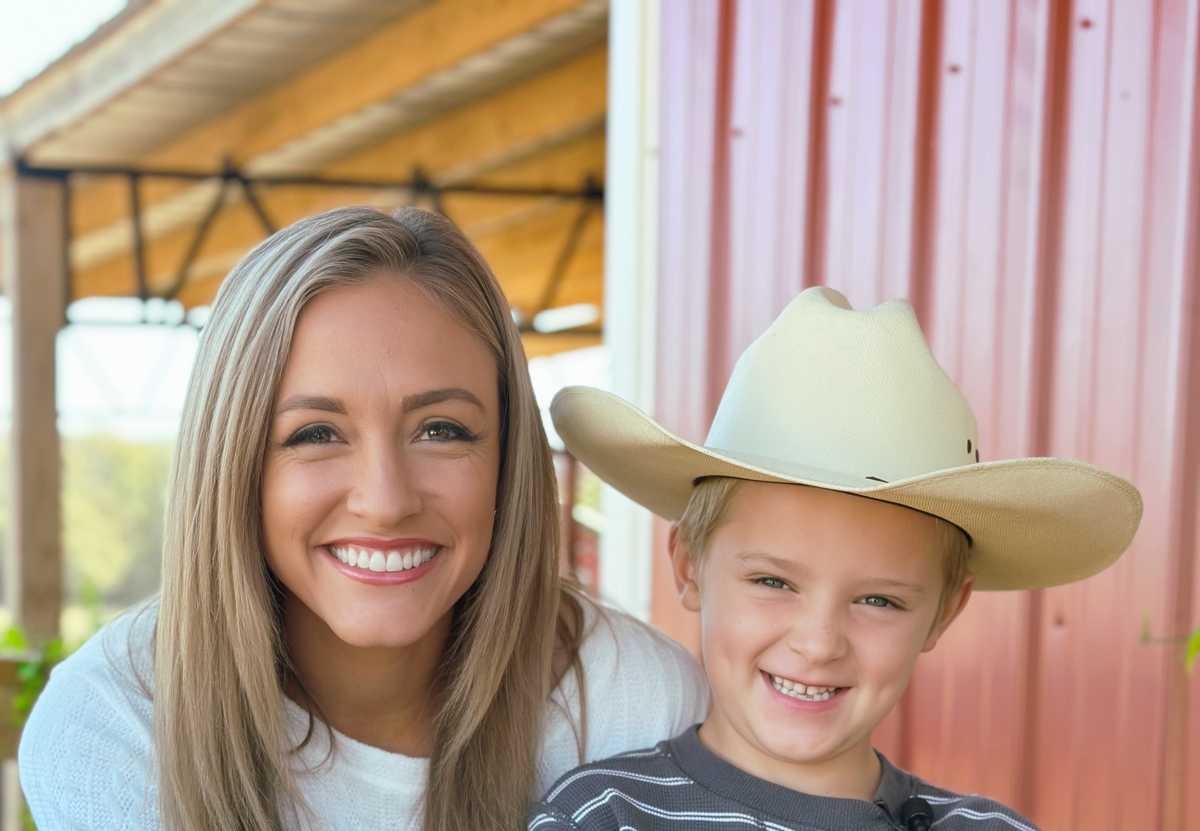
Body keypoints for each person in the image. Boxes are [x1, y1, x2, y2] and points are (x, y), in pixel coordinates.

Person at [19, 206, 707, 831]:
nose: (385, 500)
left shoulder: (640, 706)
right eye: (315, 434)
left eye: (441, 429)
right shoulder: (112, 725)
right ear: (233, 467)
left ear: (508, 457)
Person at [529, 287, 1142, 831]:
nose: (819, 643)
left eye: (879, 600)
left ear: (945, 612)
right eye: (773, 580)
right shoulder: (600, 815)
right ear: (689, 565)